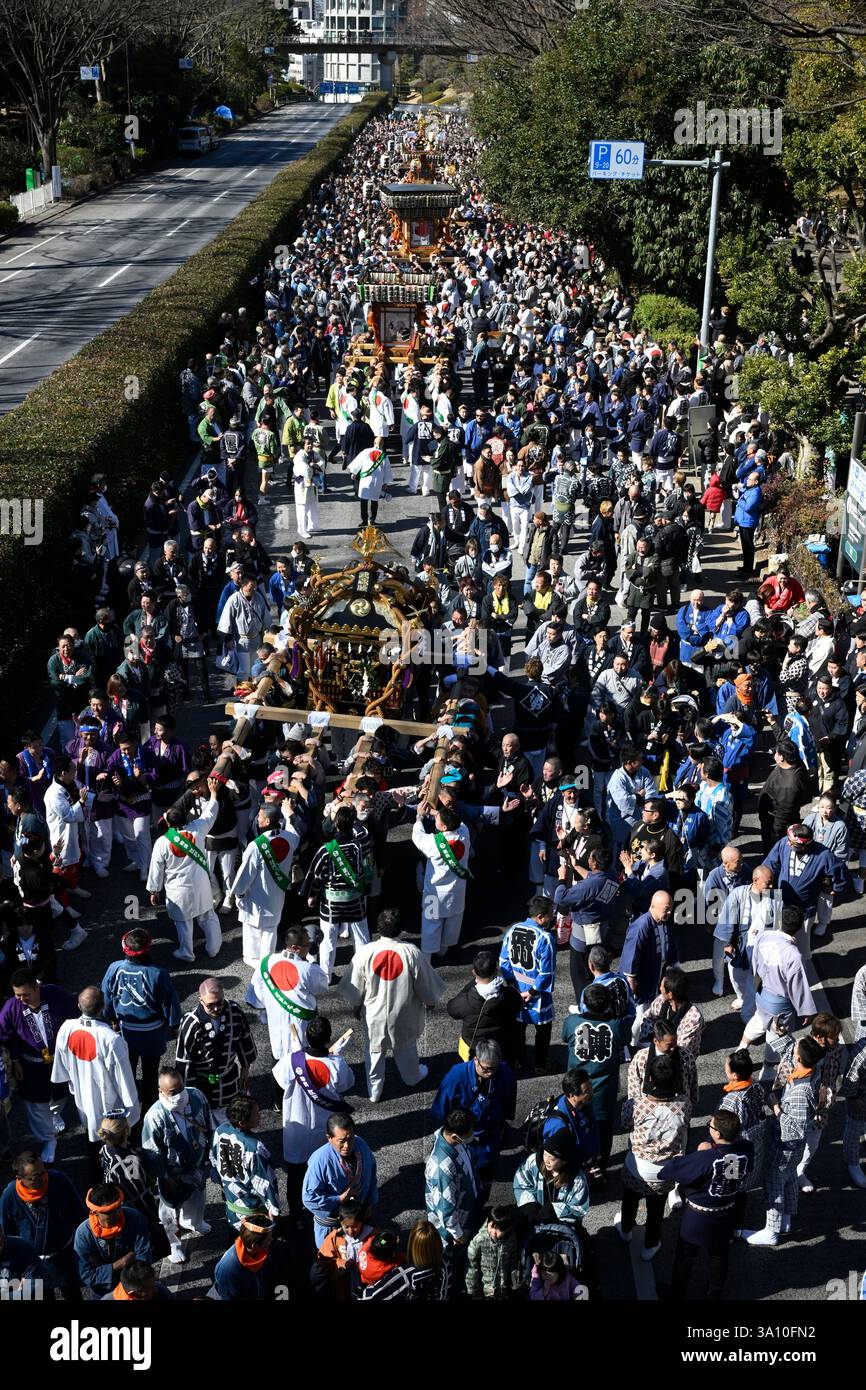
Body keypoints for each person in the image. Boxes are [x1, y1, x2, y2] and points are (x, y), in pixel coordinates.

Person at [340, 907, 443, 1102]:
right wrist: (429, 1001)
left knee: (374, 1050)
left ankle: (374, 1091)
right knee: (405, 1046)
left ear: (378, 929)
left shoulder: (365, 952)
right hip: (403, 1011)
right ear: (401, 930)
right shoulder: (411, 952)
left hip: (373, 1013)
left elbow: (355, 986)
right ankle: (412, 1077)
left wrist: (356, 1005)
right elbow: (425, 985)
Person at [659, 1110, 754, 1300]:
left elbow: (669, 1170)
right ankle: (713, 1295)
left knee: (685, 1257)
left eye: (710, 1126)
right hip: (726, 1213)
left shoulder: (705, 1158)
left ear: (717, 1134)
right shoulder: (745, 1149)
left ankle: (676, 1295)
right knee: (719, 1256)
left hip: (698, 1218)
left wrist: (702, 1152)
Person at [742, 1035, 823, 1246]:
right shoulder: (810, 1072)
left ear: (798, 1057)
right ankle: (786, 1219)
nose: (792, 1049)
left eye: (795, 1048)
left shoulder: (801, 1093)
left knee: (774, 1181)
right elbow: (786, 1046)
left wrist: (776, 1108)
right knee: (789, 1179)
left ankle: (772, 1230)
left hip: (786, 1144)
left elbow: (795, 1129)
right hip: (792, 1146)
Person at [272, 1014, 354, 1221]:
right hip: (324, 1129)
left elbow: (279, 1079)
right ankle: (326, 1211)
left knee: (296, 1175)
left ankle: (296, 1215)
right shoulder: (336, 1064)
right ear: (328, 1039)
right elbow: (347, 1084)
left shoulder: (293, 1060)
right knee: (325, 1171)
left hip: (296, 1129)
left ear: (306, 1036)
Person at [51, 986, 140, 1172]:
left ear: (78, 1005)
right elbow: (124, 1079)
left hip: (82, 1094)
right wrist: (132, 1108)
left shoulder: (66, 1028)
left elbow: (62, 1064)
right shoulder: (110, 1039)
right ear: (102, 1007)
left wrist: (74, 1083)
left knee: (91, 1131)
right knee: (114, 1139)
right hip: (108, 1100)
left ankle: (97, 1173)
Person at [618, 1051, 691, 1262]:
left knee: (630, 1200)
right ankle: (651, 1244)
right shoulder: (683, 1104)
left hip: (637, 1166)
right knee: (656, 1210)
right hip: (665, 1170)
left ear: (650, 1078)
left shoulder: (635, 1104)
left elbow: (625, 1123)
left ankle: (625, 1229)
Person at [141, 1065, 214, 1264]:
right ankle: (173, 1244)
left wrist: (211, 1155)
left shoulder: (197, 1096)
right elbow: (152, 1152)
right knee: (169, 1211)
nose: (179, 1095)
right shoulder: (154, 1116)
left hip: (197, 1164)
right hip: (172, 1172)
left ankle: (195, 1222)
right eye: (173, 1092)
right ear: (161, 1092)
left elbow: (209, 1124)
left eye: (181, 1088)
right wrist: (164, 1177)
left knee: (198, 1197)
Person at [0, 970, 76, 1162]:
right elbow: (5, 1035)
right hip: (31, 1065)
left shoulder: (57, 995)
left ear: (36, 986)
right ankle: (48, 1139)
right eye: (17, 994)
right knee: (35, 1105)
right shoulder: (11, 1007)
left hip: (60, 1060)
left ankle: (55, 1114)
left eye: (25, 994)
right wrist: (15, 1060)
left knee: (60, 1096)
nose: (21, 999)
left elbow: (75, 1021)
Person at [146, 774, 222, 963]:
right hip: (201, 884)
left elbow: (156, 869)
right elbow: (210, 813)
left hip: (178, 890)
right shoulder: (198, 828)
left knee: (184, 924)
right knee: (208, 916)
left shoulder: (162, 842)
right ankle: (213, 948)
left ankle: (187, 953)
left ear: (169, 824)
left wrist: (154, 890)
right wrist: (213, 793)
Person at [101, 928, 180, 1109]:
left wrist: (111, 1019)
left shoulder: (114, 968)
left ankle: (129, 1107)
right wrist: (174, 1024)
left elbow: (106, 996)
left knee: (126, 1070)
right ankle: (148, 1110)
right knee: (150, 1073)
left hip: (125, 1030)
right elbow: (169, 1002)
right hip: (152, 1033)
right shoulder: (158, 973)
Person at [230, 800, 300, 1001]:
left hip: (257, 896)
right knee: (270, 929)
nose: (257, 819)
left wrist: (239, 893)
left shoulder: (256, 846)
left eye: (259, 816)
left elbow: (245, 875)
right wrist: (288, 814)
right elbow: (295, 832)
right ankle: (264, 958)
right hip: (277, 895)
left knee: (252, 927)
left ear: (266, 821)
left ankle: (255, 959)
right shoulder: (289, 838)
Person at [740, 907, 817, 1080]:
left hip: (762, 993)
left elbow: (755, 962)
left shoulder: (764, 936)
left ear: (780, 921)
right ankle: (767, 1070)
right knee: (775, 1036)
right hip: (780, 1005)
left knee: (759, 1020)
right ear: (799, 928)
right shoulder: (794, 955)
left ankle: (741, 1048)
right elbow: (798, 987)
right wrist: (806, 1011)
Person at [562, 984, 631, 1177]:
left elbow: (564, 1037)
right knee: (603, 1127)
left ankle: (579, 1164)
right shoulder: (616, 1025)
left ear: (584, 1003)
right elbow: (626, 1038)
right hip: (603, 1089)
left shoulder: (572, 1022)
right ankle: (601, 1165)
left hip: (575, 1088)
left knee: (575, 1123)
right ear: (608, 1004)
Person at [0, 1148, 85, 1300]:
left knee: (73, 1294)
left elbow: (78, 1213)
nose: (43, 1178)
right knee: (41, 1298)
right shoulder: (9, 1195)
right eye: (35, 1177)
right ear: (20, 1178)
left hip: (64, 1255)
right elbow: (7, 1232)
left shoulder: (59, 1180)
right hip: (32, 1262)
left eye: (43, 1172)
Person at [431, 1040, 517, 1189]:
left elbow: (509, 1099)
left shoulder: (504, 1072)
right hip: (463, 1136)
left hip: (490, 1133)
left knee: (486, 1170)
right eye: (486, 1069)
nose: (490, 1074)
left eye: (494, 1069)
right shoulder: (456, 1075)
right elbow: (442, 1107)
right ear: (475, 1060)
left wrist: (504, 1121)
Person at [303, 803, 372, 982]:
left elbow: (316, 876)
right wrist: (354, 819)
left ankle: (326, 976)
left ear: (336, 824)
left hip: (332, 902)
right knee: (361, 938)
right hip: (355, 898)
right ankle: (363, 974)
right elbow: (364, 835)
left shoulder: (326, 850)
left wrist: (312, 894)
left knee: (328, 941)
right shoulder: (360, 844)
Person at [174, 978, 257, 1121]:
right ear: (201, 1000)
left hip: (229, 1078)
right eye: (210, 1005)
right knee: (204, 1118)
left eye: (220, 1003)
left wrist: (245, 1066)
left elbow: (244, 1040)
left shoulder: (235, 1012)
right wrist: (188, 1093)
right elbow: (184, 1062)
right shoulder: (191, 1022)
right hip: (203, 1083)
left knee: (232, 1117)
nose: (216, 1008)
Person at [302, 1113, 378, 1251]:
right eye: (341, 1141)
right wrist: (339, 1199)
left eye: (350, 1138)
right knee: (331, 1263)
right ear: (329, 1138)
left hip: (359, 1220)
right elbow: (308, 1198)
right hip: (332, 1226)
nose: (347, 1145)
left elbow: (372, 1173)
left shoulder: (361, 1145)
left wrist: (370, 1203)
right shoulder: (320, 1161)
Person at [498, 896, 556, 1073]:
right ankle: (540, 1064)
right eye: (550, 915)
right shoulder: (545, 938)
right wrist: (531, 991)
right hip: (537, 994)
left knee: (518, 1028)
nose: (551, 918)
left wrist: (513, 987)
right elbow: (546, 973)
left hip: (516, 989)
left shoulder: (512, 930)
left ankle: (519, 1060)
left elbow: (503, 961)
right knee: (543, 1030)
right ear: (540, 916)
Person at [252, 925, 330, 1057]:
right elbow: (322, 986)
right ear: (294, 948)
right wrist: (313, 961)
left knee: (280, 1053)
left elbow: (255, 995)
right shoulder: (308, 969)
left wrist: (264, 1013)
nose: (309, 948)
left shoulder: (266, 962)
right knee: (301, 1057)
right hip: (300, 1022)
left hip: (275, 1018)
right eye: (307, 945)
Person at [424, 1105, 479, 1283]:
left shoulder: (454, 1142)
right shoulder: (443, 1167)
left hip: (466, 1208)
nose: (472, 1134)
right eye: (469, 1132)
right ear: (455, 1136)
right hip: (453, 1227)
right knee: (451, 1261)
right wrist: (457, 1234)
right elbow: (446, 1208)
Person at [412, 798, 472, 958]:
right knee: (453, 920)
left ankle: (428, 957)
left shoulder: (434, 843)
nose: (435, 819)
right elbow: (455, 821)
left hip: (434, 892)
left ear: (444, 827)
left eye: (437, 819)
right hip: (457, 890)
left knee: (431, 923)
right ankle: (443, 949)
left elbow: (417, 837)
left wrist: (419, 817)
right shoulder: (464, 833)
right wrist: (436, 812)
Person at [210, 1095, 280, 1230]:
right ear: (242, 1122)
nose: (260, 1116)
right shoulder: (254, 1148)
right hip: (252, 1212)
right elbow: (265, 1182)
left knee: (236, 1243)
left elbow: (214, 1159)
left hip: (231, 1205)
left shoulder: (220, 1131)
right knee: (255, 1246)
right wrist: (274, 1209)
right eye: (255, 1114)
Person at [619, 890, 678, 1046]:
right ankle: (633, 1041)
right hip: (642, 976)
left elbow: (670, 944)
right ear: (653, 906)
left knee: (650, 1007)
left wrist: (674, 963)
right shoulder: (641, 925)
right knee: (640, 1010)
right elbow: (631, 952)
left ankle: (641, 1034)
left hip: (655, 971)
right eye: (666, 909)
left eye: (671, 908)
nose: (670, 912)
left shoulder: (664, 921)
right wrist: (630, 977)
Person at [446, 948, 523, 1066]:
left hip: (475, 1049)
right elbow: (519, 1004)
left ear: (473, 972)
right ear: (496, 971)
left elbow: (451, 1009)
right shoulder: (509, 995)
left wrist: (472, 983)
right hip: (501, 1046)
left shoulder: (466, 1000)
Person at [73, 1183, 152, 1294]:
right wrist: (121, 1263)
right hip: (104, 1291)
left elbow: (144, 1258)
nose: (118, 1213)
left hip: (135, 1286)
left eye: (118, 1206)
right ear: (95, 1212)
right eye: (109, 1212)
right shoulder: (83, 1234)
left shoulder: (135, 1218)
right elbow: (87, 1275)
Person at [513, 1127, 590, 1225]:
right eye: (545, 1154)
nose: (546, 1161)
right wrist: (529, 1204)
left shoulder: (578, 1180)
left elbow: (580, 1208)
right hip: (533, 1215)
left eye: (552, 1159)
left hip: (562, 1223)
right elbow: (521, 1183)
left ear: (563, 1161)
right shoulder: (533, 1162)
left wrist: (553, 1210)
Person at [210, 1214, 277, 1300]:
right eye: (268, 1240)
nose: (272, 1240)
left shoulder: (262, 1249)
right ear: (254, 1245)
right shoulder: (227, 1270)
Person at [465, 1204, 521, 1300]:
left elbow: (514, 1262)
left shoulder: (511, 1239)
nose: (494, 1232)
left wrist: (515, 1283)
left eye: (499, 1230)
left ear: (507, 1229)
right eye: (491, 1226)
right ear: (488, 1222)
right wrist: (472, 1289)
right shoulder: (480, 1239)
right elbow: (471, 1264)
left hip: (504, 1288)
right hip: (485, 1289)